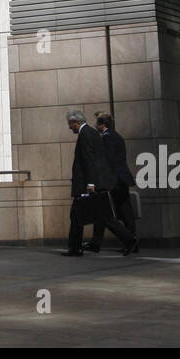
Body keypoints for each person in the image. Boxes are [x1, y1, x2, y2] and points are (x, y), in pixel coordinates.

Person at [88, 112, 138, 255]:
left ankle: (130, 241)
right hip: (121, 178)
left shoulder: (107, 138)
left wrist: (101, 179)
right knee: (124, 211)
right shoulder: (116, 136)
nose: (95, 125)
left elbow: (107, 161)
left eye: (97, 123)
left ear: (103, 124)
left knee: (110, 211)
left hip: (115, 180)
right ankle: (130, 241)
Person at [63, 109, 112, 257]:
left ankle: (75, 248)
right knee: (95, 215)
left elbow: (88, 160)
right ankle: (76, 247)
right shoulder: (91, 133)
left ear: (75, 122)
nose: (69, 127)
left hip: (86, 184)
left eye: (70, 124)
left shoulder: (85, 134)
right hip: (89, 182)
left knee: (77, 216)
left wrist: (90, 183)